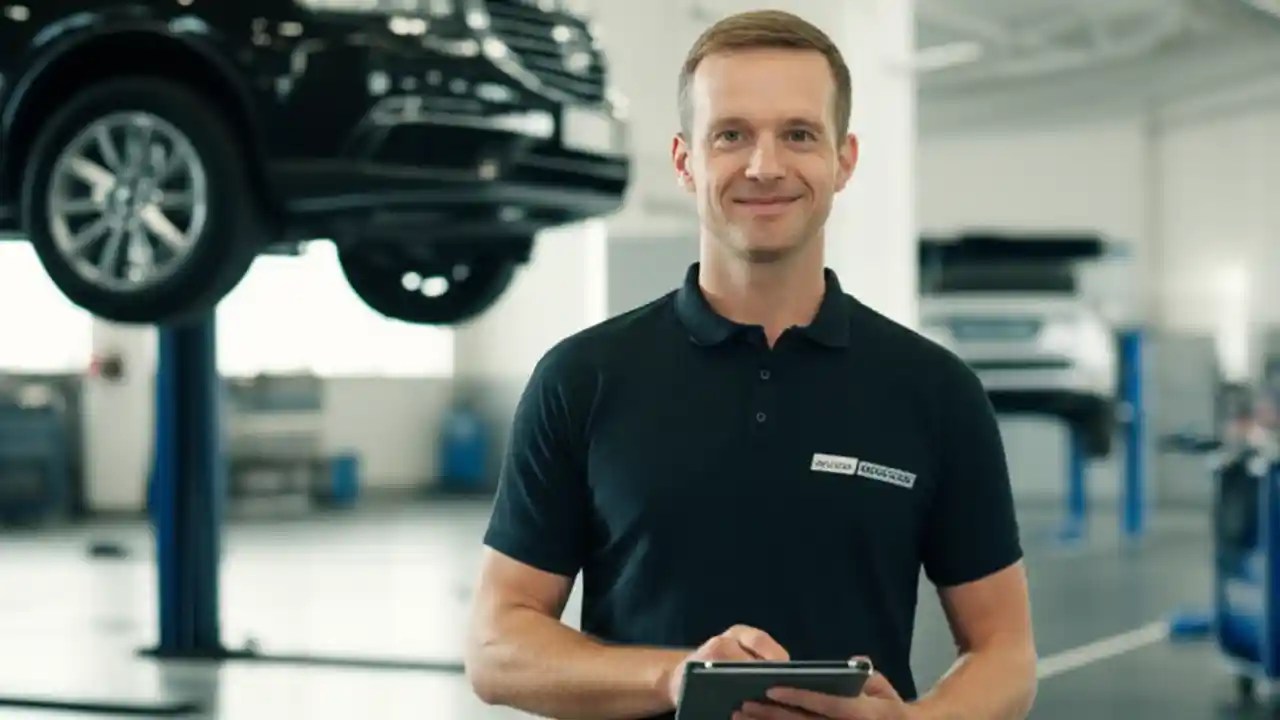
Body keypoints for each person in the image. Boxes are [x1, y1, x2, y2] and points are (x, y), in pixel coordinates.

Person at [464, 9, 1037, 720]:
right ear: (685, 161)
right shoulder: (583, 379)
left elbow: (1006, 653)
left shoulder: (936, 391)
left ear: (844, 159)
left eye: (798, 134)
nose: (765, 166)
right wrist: (675, 677)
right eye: (731, 135)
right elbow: (495, 646)